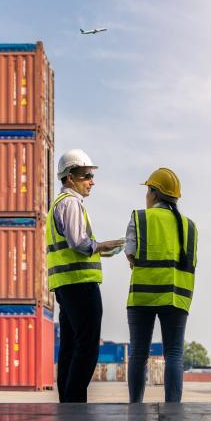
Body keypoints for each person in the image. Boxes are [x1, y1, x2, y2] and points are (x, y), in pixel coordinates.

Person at [46, 149, 124, 403]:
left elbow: (76, 247)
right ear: (70, 177)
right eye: (87, 175)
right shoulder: (70, 203)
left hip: (67, 285)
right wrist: (103, 245)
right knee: (87, 346)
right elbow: (79, 243)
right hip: (79, 285)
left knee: (70, 345)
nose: (92, 181)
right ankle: (75, 402)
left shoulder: (60, 204)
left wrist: (103, 251)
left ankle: (68, 402)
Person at [124, 167, 198, 403]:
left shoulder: (140, 217)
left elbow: (130, 253)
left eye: (148, 191)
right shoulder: (190, 226)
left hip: (142, 296)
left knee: (138, 354)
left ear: (154, 193)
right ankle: (173, 407)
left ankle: (135, 405)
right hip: (177, 297)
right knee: (174, 354)